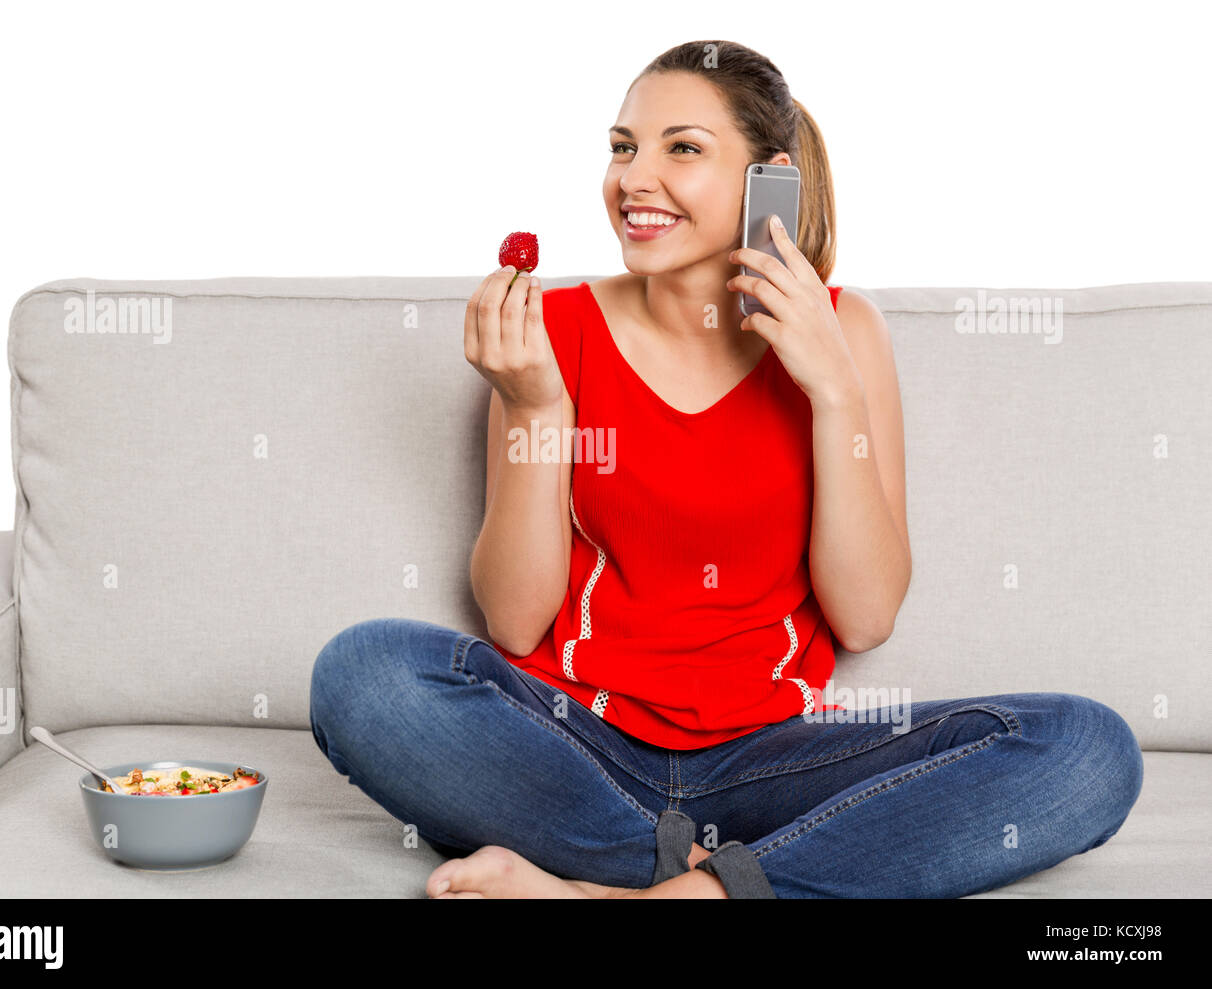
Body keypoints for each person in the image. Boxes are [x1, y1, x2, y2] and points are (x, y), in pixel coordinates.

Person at [310, 39, 1143, 898]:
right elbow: (517, 624)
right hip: (580, 744)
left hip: (773, 762)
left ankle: (633, 888)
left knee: (1087, 749)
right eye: (623, 146)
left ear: (768, 178)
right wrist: (535, 407)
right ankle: (728, 881)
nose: (633, 179)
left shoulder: (845, 331)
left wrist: (832, 390)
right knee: (363, 671)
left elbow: (864, 618)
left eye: (682, 148)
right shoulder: (551, 332)